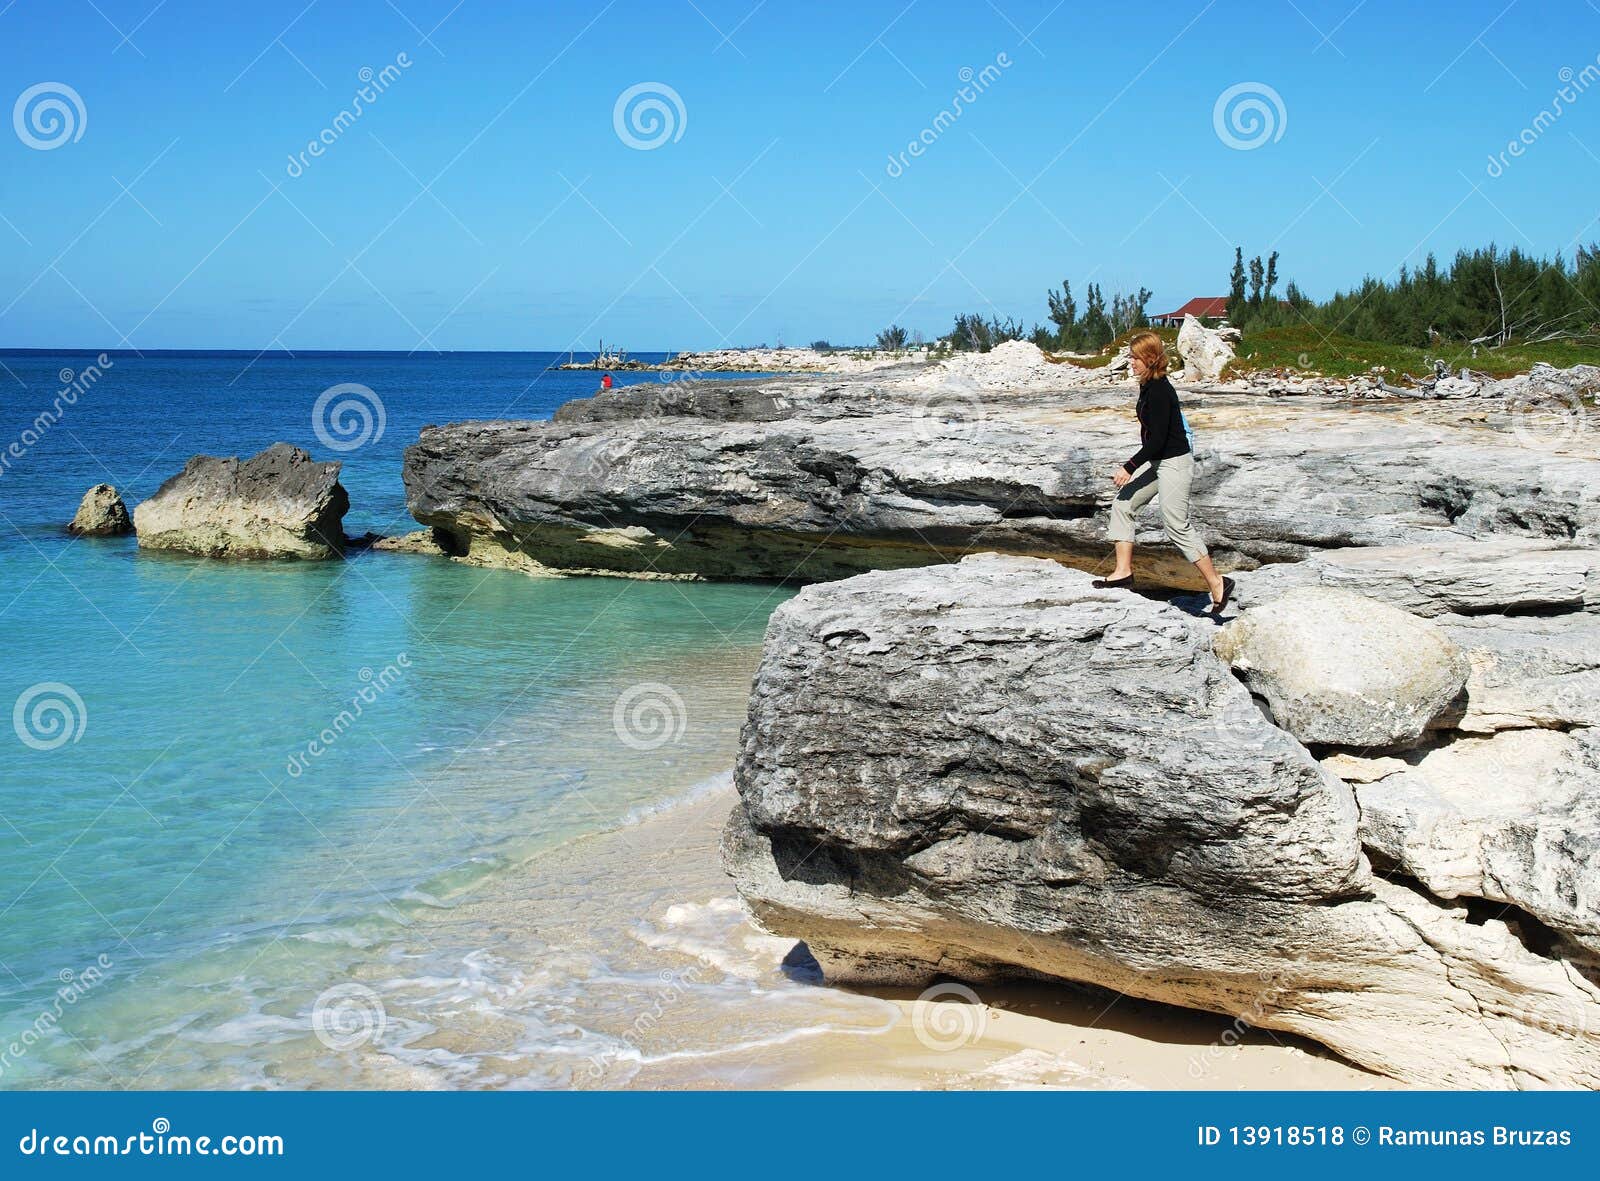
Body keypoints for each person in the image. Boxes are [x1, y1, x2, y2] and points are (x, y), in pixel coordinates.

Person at [1093, 331, 1234, 616]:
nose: (1130, 362)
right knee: (1123, 503)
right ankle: (1123, 571)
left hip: (1175, 464)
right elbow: (1154, 442)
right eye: (1130, 357)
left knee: (1176, 525)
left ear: (1150, 359)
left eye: (1134, 357)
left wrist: (1129, 467)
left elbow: (1156, 441)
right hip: (1160, 463)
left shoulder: (1158, 391)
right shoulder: (1148, 385)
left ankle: (1217, 582)